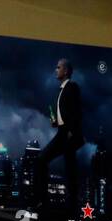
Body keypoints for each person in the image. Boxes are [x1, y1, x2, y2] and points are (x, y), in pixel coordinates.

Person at [36, 57, 83, 212]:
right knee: (53, 163)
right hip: (62, 131)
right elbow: (65, 112)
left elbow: (76, 111)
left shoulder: (72, 87)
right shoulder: (61, 90)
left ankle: (70, 205)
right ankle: (47, 202)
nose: (56, 70)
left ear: (66, 71)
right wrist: (56, 122)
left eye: (58, 67)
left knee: (65, 166)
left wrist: (71, 131)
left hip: (69, 133)